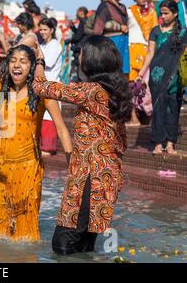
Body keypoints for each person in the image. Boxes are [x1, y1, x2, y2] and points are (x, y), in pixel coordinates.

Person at [32, 35, 132, 254]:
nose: (79, 58)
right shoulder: (118, 92)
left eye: (82, 53)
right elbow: (122, 142)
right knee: (85, 245)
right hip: (108, 176)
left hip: (91, 176)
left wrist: (40, 61)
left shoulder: (91, 91)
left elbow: (41, 87)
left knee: (62, 244)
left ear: (93, 59)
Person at [0, 45, 72, 241]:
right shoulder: (2, 86)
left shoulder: (42, 92)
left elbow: (61, 128)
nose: (17, 65)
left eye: (23, 61)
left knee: (23, 232)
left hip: (27, 168)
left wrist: (73, 165)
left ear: (32, 67)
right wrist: (6, 55)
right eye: (13, 61)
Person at [137, 0, 187, 155]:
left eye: (166, 13)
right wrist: (141, 73)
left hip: (175, 76)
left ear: (175, 13)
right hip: (157, 75)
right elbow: (150, 53)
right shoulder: (155, 31)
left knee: (174, 109)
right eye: (161, 13)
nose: (163, 16)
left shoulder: (183, 32)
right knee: (158, 108)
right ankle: (158, 142)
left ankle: (171, 143)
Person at [127, 0, 159, 126]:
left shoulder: (152, 12)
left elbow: (156, 30)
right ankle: (134, 117)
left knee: (147, 84)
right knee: (132, 84)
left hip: (147, 50)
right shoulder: (129, 11)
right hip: (132, 49)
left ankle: (149, 117)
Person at [93, 0, 130, 75]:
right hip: (111, 41)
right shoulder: (104, 6)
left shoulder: (123, 7)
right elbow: (98, 28)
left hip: (124, 41)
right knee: (111, 69)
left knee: (123, 71)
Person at [39, 17, 63, 155]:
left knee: (49, 117)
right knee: (42, 116)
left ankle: (48, 148)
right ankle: (41, 145)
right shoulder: (42, 45)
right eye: (41, 29)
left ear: (51, 30)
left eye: (45, 29)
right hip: (41, 84)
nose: (42, 32)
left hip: (51, 84)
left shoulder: (55, 44)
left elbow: (47, 62)